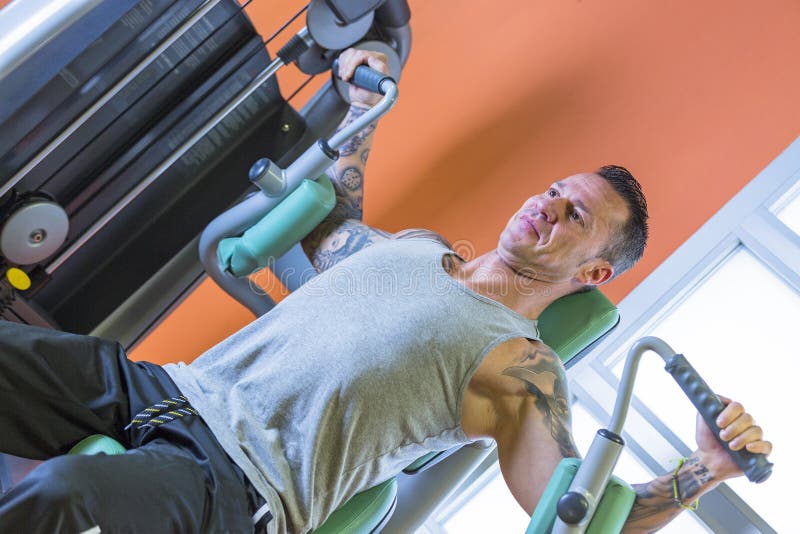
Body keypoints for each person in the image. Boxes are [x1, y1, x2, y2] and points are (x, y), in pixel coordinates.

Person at [0, 49, 771, 534]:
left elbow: (582, 510)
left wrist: (703, 471)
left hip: (235, 486)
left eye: (575, 216)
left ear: (594, 274)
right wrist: (366, 100)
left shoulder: (520, 369)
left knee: (69, 492)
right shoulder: (416, 250)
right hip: (165, 389)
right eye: (553, 190)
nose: (547, 206)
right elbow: (332, 214)